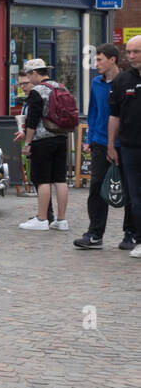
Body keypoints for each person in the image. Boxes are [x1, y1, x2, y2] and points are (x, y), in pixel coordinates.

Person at [76, 44, 132, 249]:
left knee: (129, 188)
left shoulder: (127, 81)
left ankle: (130, 233)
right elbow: (93, 111)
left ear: (112, 59)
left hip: (124, 143)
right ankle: (95, 234)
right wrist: (90, 138)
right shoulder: (96, 83)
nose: (96, 63)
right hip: (100, 141)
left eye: (99, 60)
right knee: (97, 188)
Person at [17, 58, 69, 231]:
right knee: (60, 180)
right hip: (62, 137)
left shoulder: (37, 91)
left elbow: (32, 122)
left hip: (43, 139)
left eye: (29, 74)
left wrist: (28, 143)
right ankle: (61, 220)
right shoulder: (60, 87)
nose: (28, 79)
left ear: (35, 73)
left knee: (43, 180)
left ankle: (41, 219)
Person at [109, 35, 141, 256]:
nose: (131, 56)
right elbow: (114, 115)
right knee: (135, 196)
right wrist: (111, 145)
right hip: (130, 147)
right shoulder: (123, 80)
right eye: (128, 52)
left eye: (136, 52)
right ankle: (139, 239)